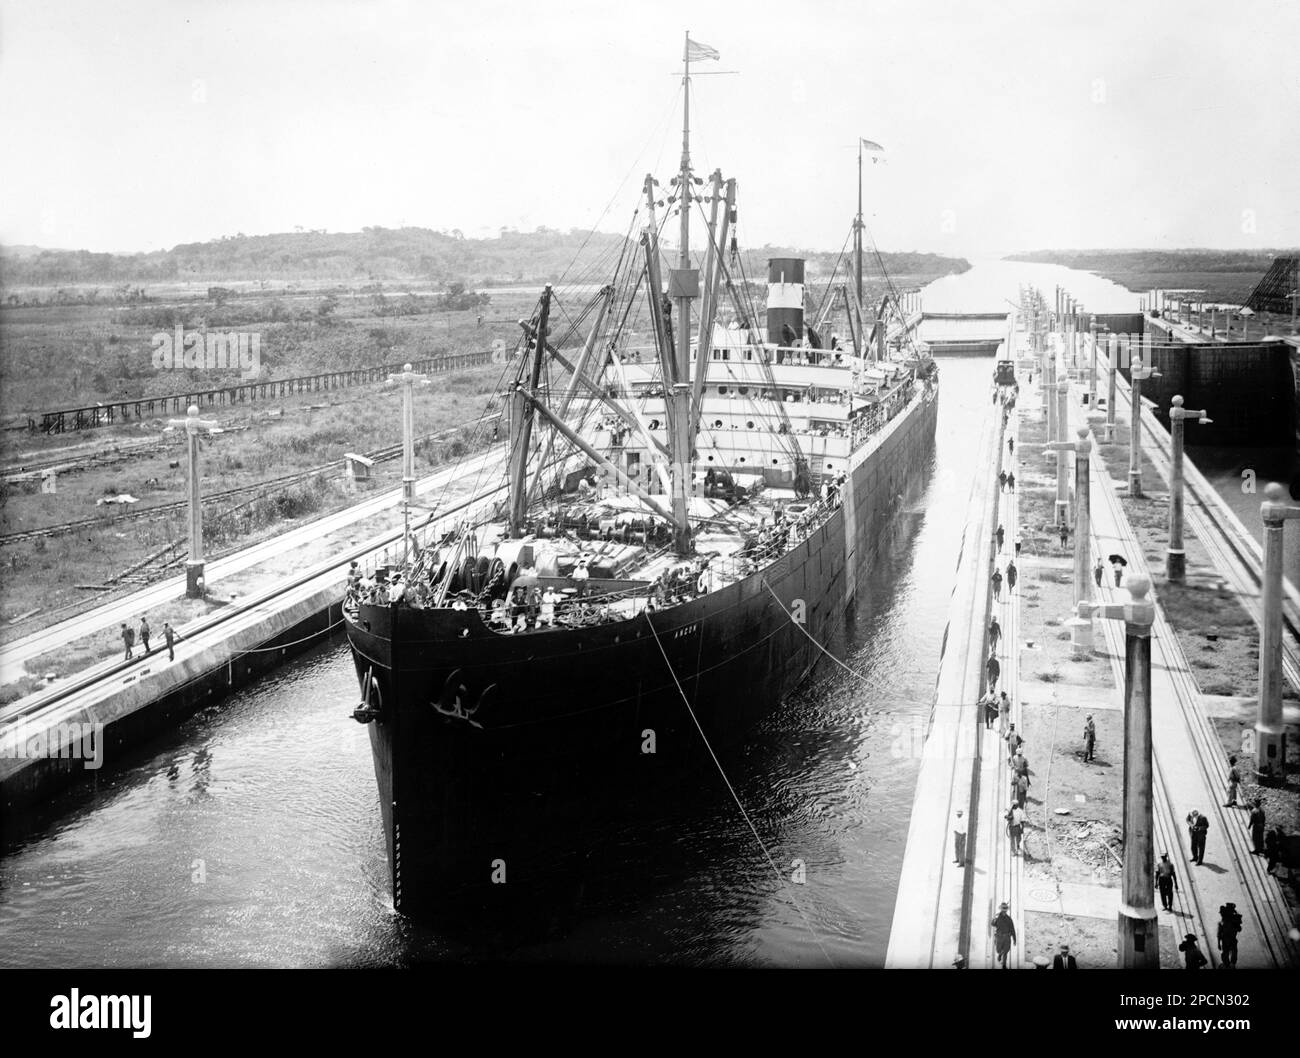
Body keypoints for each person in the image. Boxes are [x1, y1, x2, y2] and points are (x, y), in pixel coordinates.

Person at [991, 903, 1017, 968]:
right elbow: (993, 924)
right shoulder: (997, 917)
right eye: (1003, 909)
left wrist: (1014, 939)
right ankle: (1000, 954)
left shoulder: (1009, 919)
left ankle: (1004, 965)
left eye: (1005, 909)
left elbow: (1012, 929)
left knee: (1006, 951)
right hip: (999, 937)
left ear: (1006, 910)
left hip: (1007, 937)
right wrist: (994, 919)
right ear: (1001, 910)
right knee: (998, 950)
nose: (1004, 911)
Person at [1217, 904, 1242, 968]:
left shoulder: (1234, 920)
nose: (1221, 914)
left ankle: (1230, 964)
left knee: (1232, 953)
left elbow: (1239, 929)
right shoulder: (1222, 922)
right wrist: (1218, 943)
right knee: (1226, 954)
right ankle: (1227, 964)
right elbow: (1219, 933)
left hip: (1230, 939)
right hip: (1226, 940)